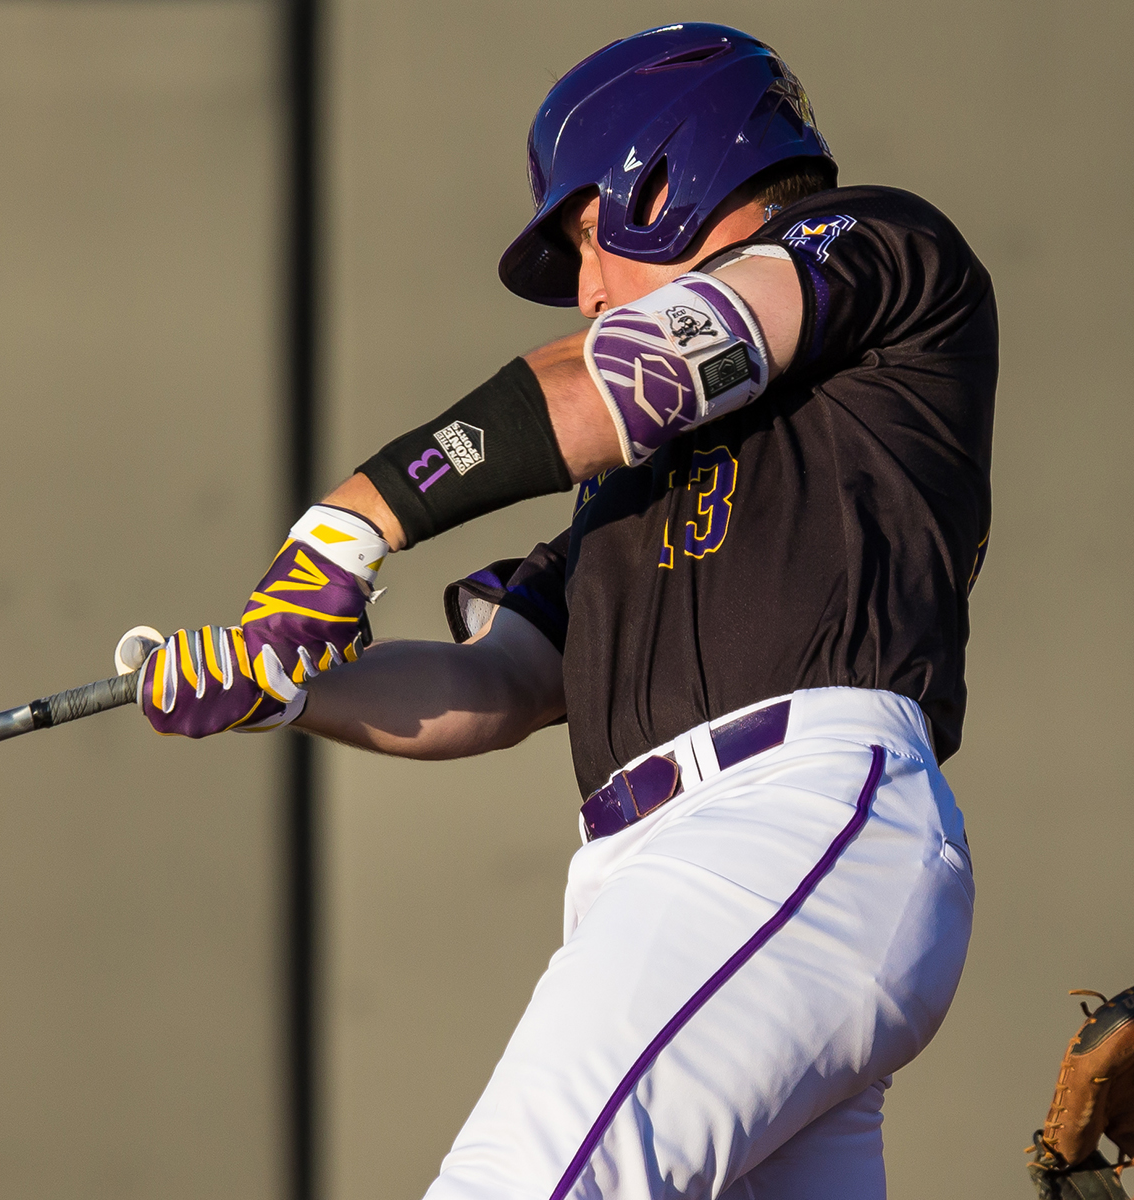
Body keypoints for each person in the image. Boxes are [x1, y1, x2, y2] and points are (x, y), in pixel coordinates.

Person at [136, 23, 997, 1199]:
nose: (587, 289)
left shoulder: (878, 242)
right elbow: (498, 682)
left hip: (790, 817)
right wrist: (285, 687)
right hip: (687, 866)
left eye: (588, 234)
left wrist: (348, 524)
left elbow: (635, 373)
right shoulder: (627, 489)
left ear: (671, 174)